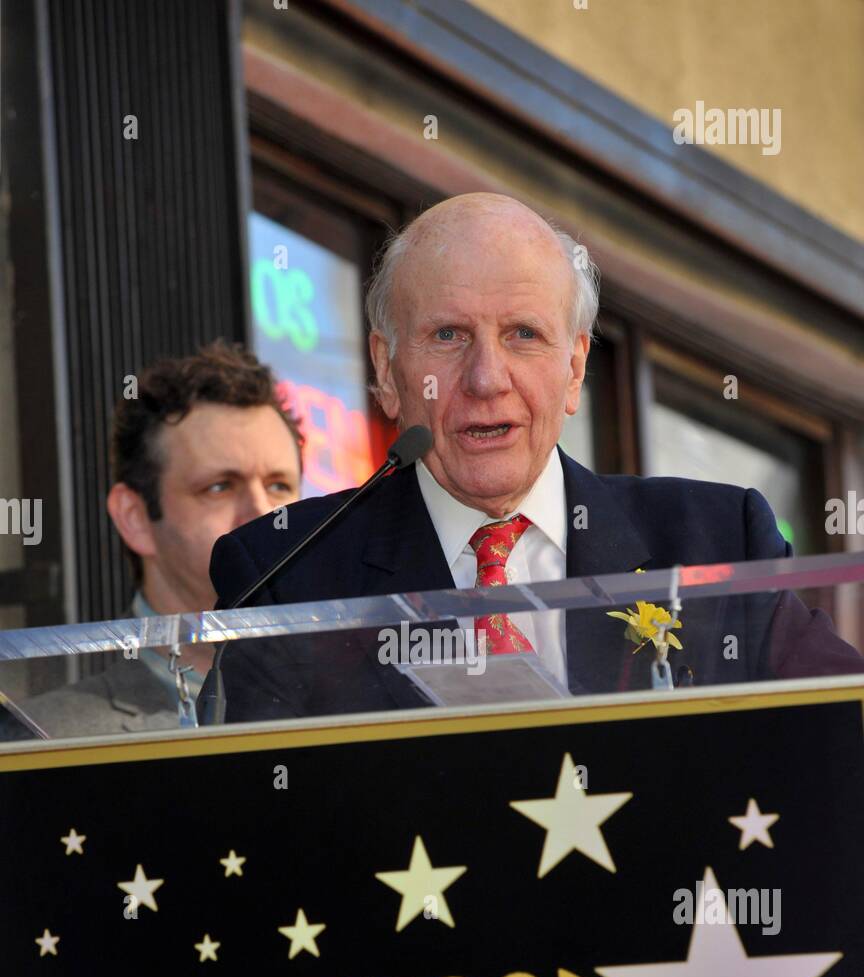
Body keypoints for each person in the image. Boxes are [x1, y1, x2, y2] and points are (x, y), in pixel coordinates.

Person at [205, 193, 863, 724]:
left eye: (524, 335)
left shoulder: (715, 539)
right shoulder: (286, 572)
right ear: (386, 368)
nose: (487, 377)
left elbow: (837, 734)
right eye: (447, 335)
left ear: (574, 368)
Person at [26, 340, 303, 736]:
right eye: (219, 487)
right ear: (135, 518)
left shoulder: (363, 699)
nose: (264, 515)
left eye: (279, 486)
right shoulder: (44, 736)